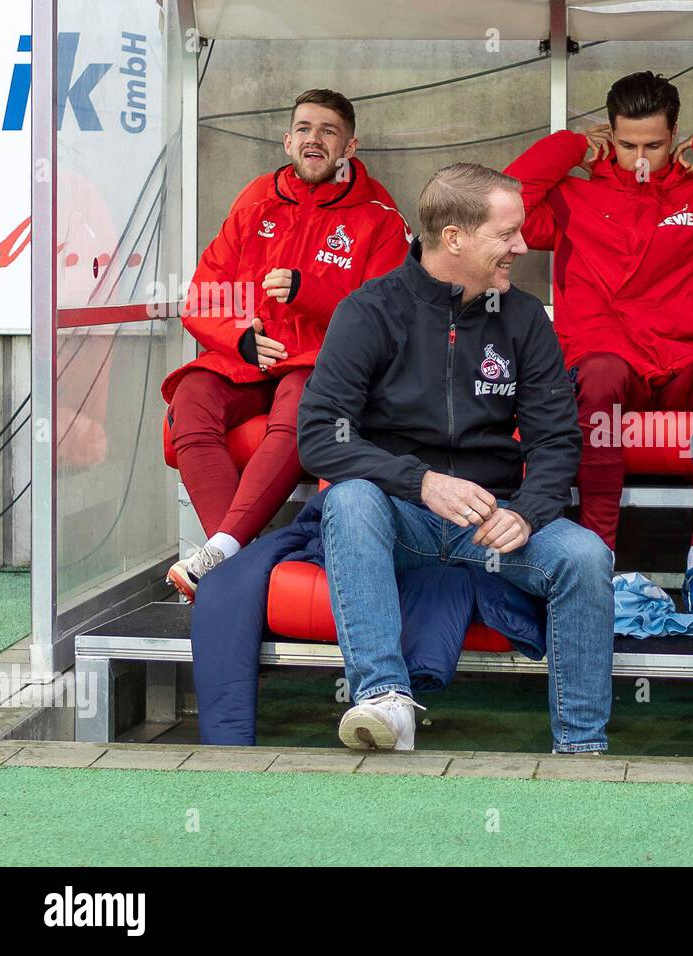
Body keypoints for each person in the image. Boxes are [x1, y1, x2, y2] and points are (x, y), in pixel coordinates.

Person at [296, 163, 614, 754]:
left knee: (585, 555)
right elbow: (320, 435)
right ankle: (385, 701)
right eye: (507, 234)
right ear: (454, 238)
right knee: (349, 497)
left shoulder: (522, 317)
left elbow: (556, 440)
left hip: (491, 522)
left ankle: (582, 748)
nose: (522, 245)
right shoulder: (369, 311)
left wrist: (530, 511)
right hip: (399, 517)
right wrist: (420, 483)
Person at [504, 71, 693, 616]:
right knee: (596, 374)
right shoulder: (576, 197)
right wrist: (569, 145)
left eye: (653, 143)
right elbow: (503, 205)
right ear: (609, 137)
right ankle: (597, 554)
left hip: (686, 358)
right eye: (626, 144)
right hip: (609, 363)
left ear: (675, 136)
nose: (639, 156)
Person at [162, 89, 411, 601]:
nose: (313, 139)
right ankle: (233, 555)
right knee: (190, 397)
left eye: (327, 131)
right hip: (244, 360)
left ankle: (222, 555)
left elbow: (391, 315)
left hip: (319, 362)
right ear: (287, 139)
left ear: (350, 146)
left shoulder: (380, 217)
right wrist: (238, 338)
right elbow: (201, 297)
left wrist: (311, 292)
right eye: (303, 128)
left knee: (304, 400)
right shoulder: (254, 203)